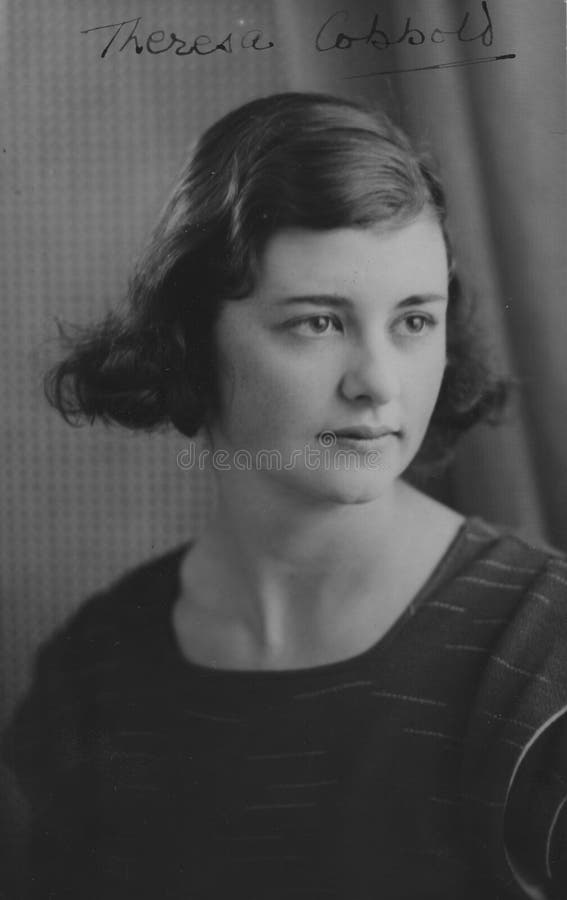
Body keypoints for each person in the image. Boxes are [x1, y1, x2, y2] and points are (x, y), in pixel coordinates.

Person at [2, 92, 566, 900]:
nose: (377, 384)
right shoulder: (92, 674)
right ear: (191, 341)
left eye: (412, 322)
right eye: (317, 323)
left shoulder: (542, 657)